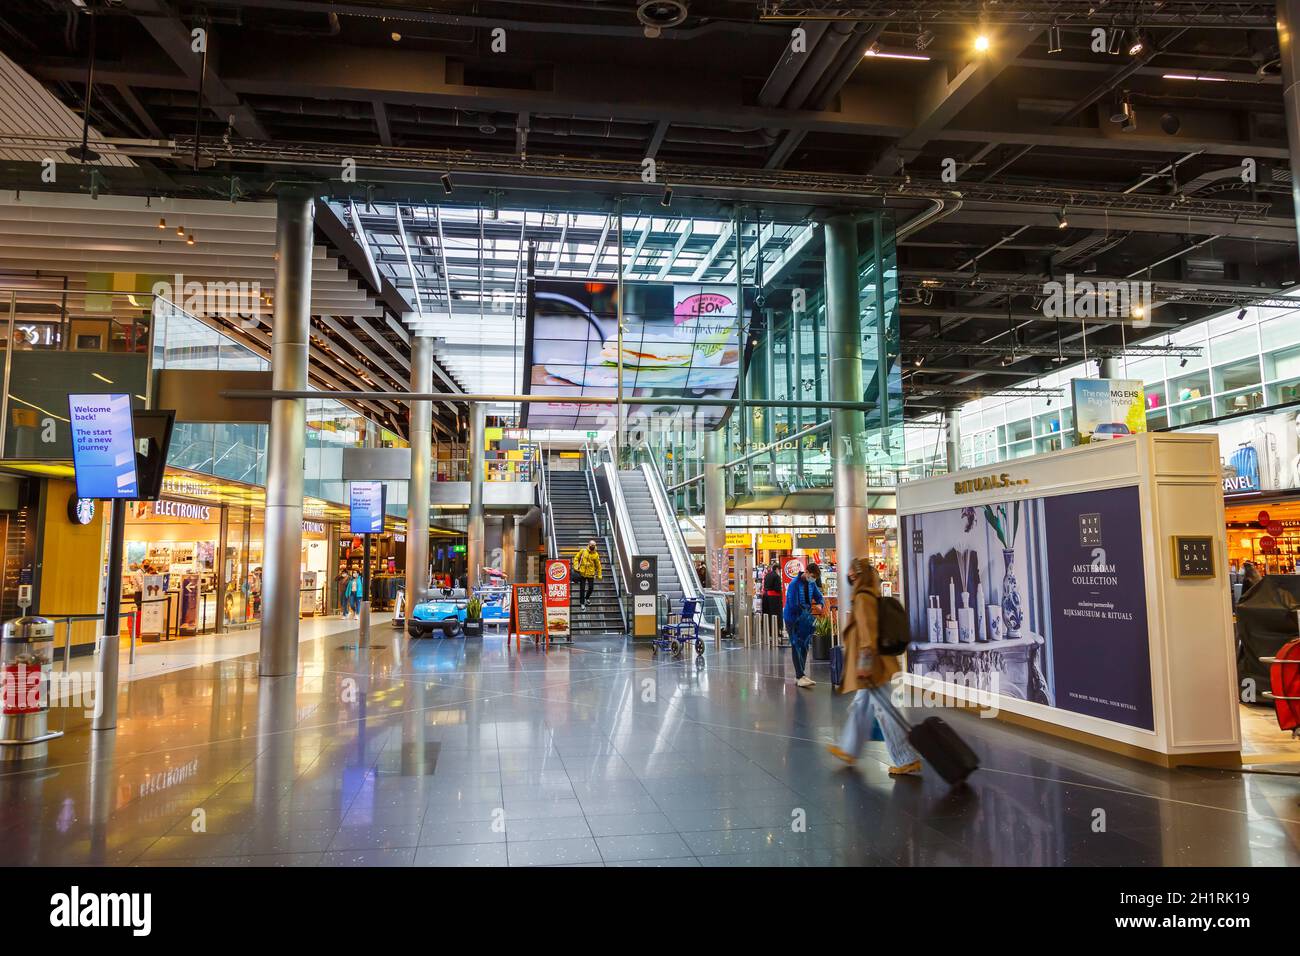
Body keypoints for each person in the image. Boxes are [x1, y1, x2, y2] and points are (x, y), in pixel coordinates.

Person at [827, 558, 922, 776]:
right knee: (861, 706)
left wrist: (865, 664)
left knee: (885, 711)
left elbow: (869, 635)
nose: (849, 578)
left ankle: (907, 758)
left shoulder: (863, 598)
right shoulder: (871, 594)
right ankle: (849, 749)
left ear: (858, 576)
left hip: (873, 666)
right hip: (875, 665)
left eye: (852, 575)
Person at [783, 561, 823, 688]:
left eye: (815, 578)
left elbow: (819, 596)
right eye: (812, 576)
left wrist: (820, 604)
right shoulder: (794, 584)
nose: (813, 580)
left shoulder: (812, 584)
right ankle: (799, 676)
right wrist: (807, 610)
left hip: (804, 618)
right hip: (793, 618)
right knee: (796, 645)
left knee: (805, 645)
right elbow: (793, 603)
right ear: (806, 572)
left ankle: (801, 675)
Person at [572, 539, 602, 609]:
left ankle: (587, 597)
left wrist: (599, 574)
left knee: (591, 588)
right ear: (589, 545)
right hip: (582, 573)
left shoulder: (596, 554)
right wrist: (576, 566)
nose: (593, 546)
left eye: (594, 545)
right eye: (592, 545)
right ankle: (582, 603)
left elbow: (598, 565)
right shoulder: (583, 551)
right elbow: (576, 558)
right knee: (582, 589)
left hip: (591, 574)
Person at [761, 560, 783, 638]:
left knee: (768, 614)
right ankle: (776, 631)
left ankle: (769, 631)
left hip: (766, 597)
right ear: (777, 569)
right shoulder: (776, 576)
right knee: (776, 615)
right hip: (774, 599)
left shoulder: (767, 575)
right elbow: (777, 588)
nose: (779, 571)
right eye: (779, 570)